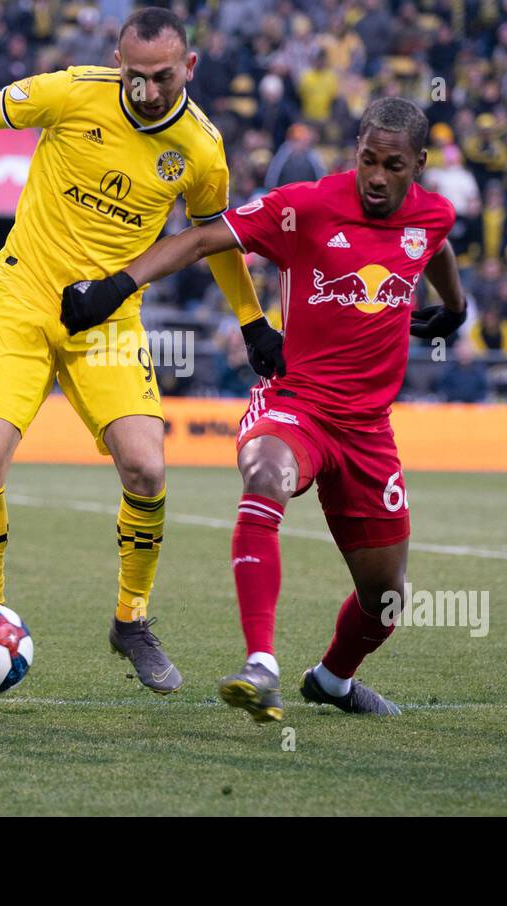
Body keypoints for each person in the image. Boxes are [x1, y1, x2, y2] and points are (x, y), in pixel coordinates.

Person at [0, 7, 285, 699]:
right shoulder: (73, 90)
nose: (148, 90)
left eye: (163, 77)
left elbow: (210, 236)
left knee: (147, 470)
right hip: (22, 301)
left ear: (189, 68)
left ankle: (131, 620)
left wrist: (252, 322)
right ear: (117, 60)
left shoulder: (201, 150)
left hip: (108, 320)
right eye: (135, 75)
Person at [60, 97, 466, 721]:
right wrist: (115, 287)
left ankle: (331, 680)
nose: (378, 177)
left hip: (369, 432)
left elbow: (435, 242)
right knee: (264, 475)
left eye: (393, 165)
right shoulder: (305, 205)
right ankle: (261, 664)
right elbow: (201, 238)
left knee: (385, 599)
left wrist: (455, 306)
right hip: (297, 404)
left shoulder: (433, 214)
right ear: (354, 150)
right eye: (367, 160)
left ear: (419, 164)